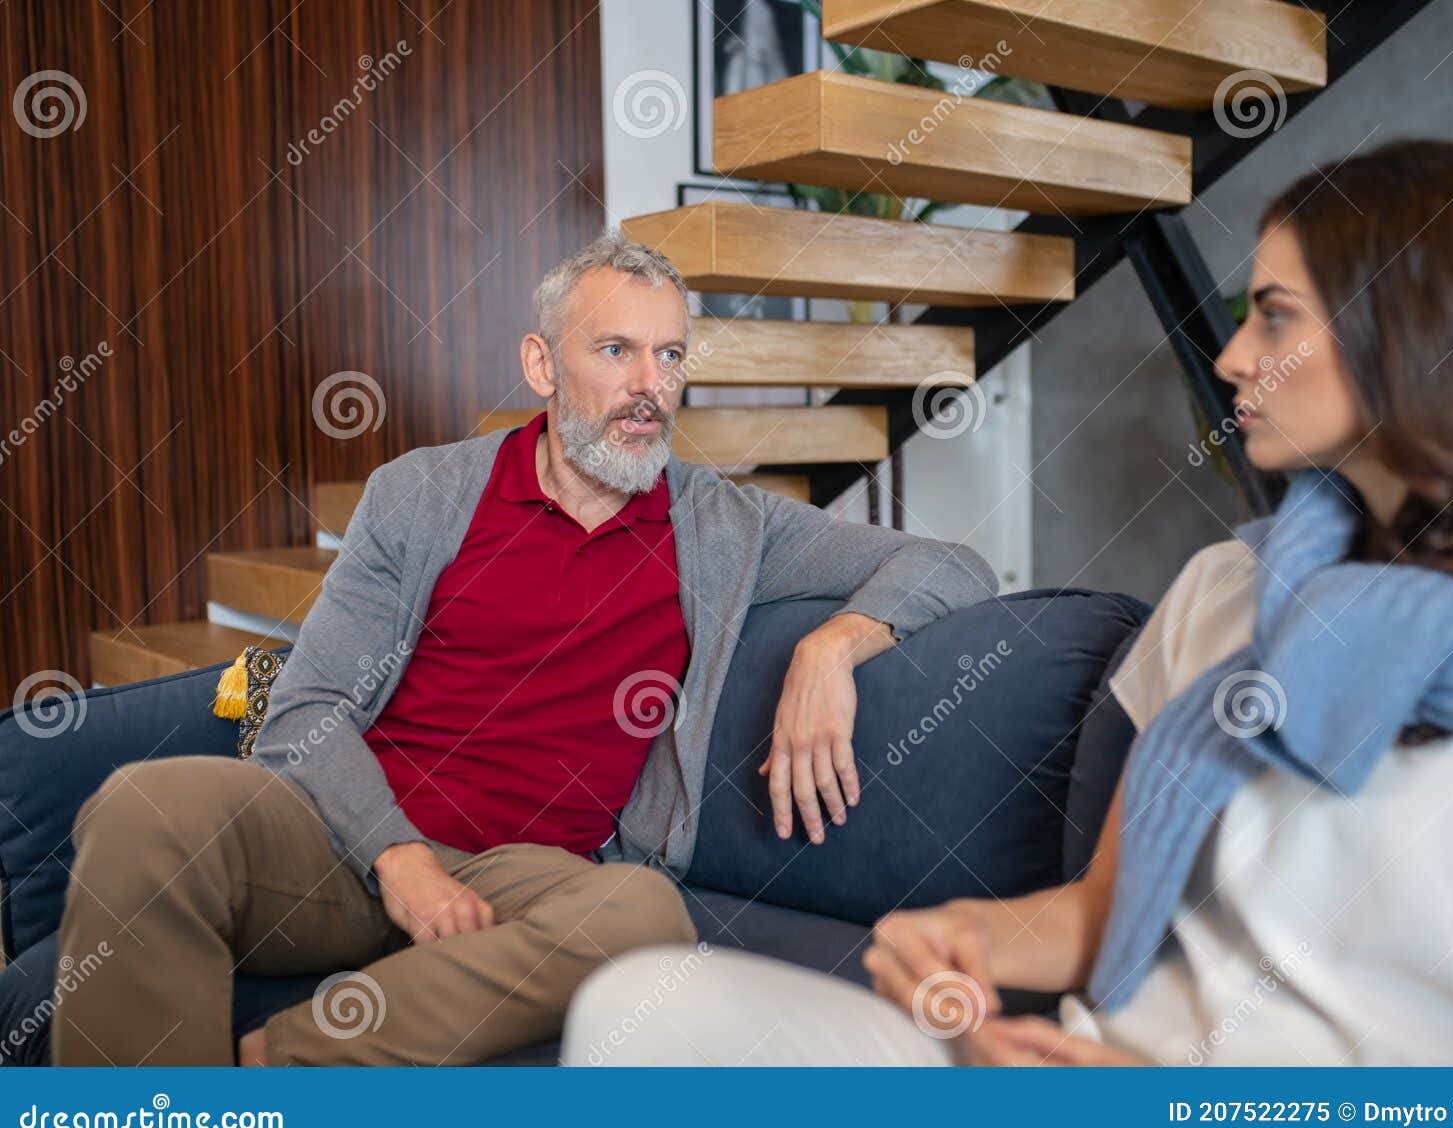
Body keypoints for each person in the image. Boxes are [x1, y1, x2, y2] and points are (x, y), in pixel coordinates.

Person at [563, 139, 1453, 1067]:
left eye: (1276, 315)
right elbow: (1102, 910)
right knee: (637, 1007)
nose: (1233, 356)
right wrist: (959, 939)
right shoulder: (1228, 590)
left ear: (1409, 334)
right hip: (1072, 1074)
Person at [51, 234, 997, 1066]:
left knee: (641, 917)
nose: (649, 385)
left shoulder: (725, 526)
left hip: (527, 877)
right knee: (145, 806)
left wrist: (833, 646)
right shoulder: (422, 494)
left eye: (670, 355)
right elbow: (306, 709)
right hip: (345, 846)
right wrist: (399, 860)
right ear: (541, 364)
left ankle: (278, 1067)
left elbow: (954, 565)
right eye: (616, 350)